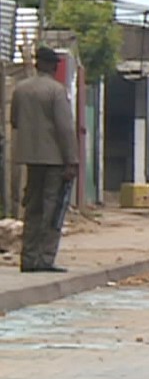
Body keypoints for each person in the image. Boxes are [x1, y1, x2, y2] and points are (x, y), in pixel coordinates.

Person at [11, 47, 77, 273]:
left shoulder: (20, 89)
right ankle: (45, 259)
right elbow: (65, 129)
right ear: (52, 65)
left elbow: (15, 122)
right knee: (53, 209)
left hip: (30, 157)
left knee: (32, 208)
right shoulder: (56, 91)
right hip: (55, 160)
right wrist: (71, 161)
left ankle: (28, 258)